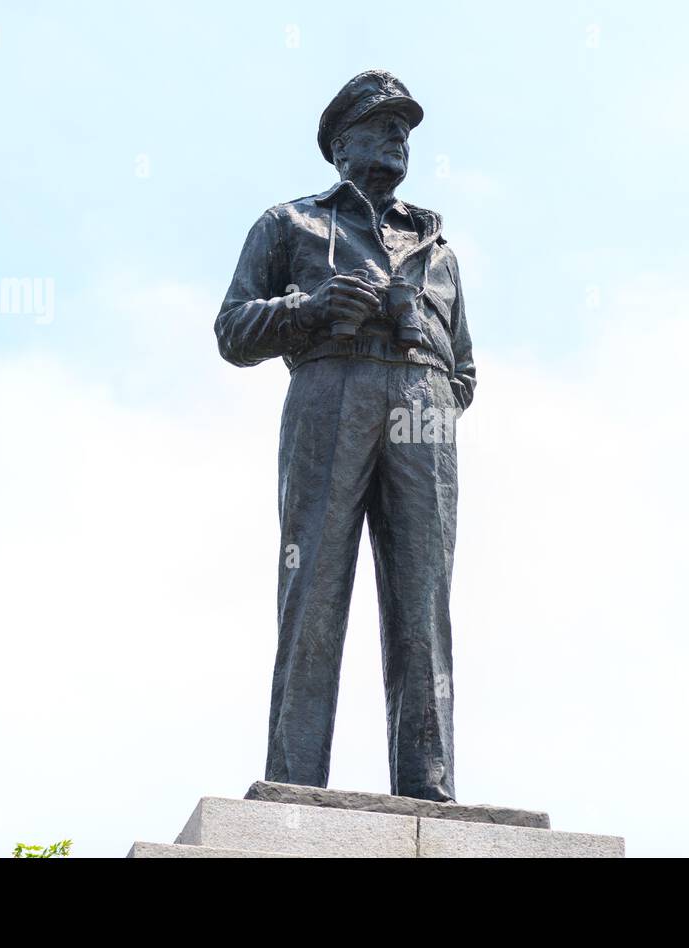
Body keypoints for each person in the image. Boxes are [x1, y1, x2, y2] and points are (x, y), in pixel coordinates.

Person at [214, 70, 476, 802]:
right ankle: (295, 781)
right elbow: (232, 331)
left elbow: (467, 372)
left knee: (424, 601)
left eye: (405, 129)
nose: (398, 138)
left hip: (423, 416)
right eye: (382, 124)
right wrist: (311, 308)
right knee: (316, 588)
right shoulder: (289, 224)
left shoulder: (440, 249)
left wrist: (428, 387)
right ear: (340, 144)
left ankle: (430, 786)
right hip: (331, 394)